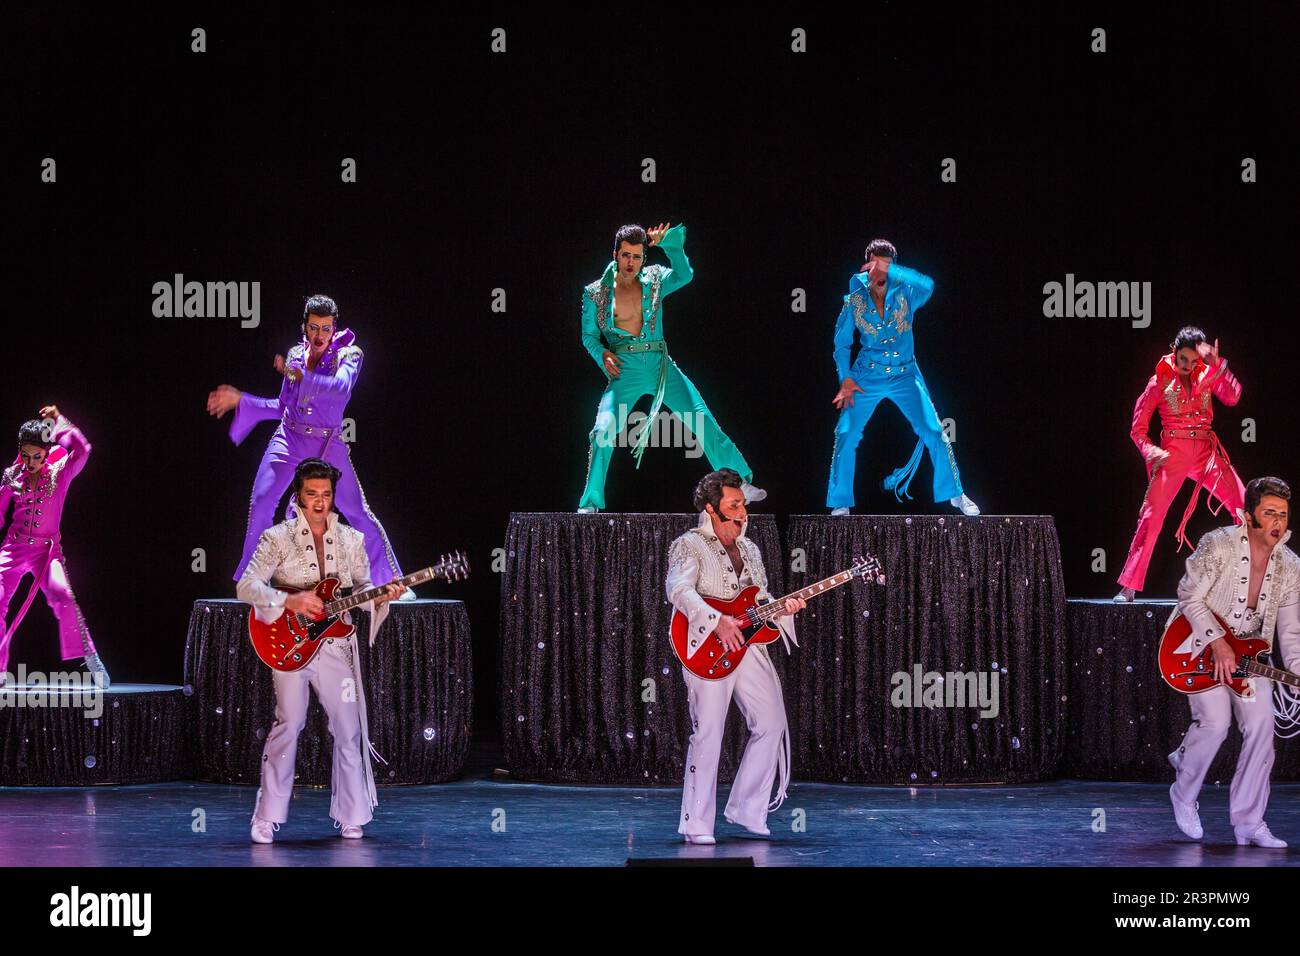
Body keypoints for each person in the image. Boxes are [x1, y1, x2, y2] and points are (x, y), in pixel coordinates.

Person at [238, 457, 405, 843]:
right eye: (312, 494)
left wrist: (383, 595)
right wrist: (289, 601)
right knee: (289, 723)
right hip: (291, 642)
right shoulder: (276, 538)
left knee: (348, 730)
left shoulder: (351, 540)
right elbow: (246, 587)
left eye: (326, 495)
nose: (319, 501)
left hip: (337, 647)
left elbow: (363, 588)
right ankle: (266, 815)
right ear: (299, 496)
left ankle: (351, 814)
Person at [207, 294, 408, 595]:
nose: (320, 335)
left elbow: (340, 390)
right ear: (305, 327)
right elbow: (283, 405)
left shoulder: (350, 354)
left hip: (328, 443)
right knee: (261, 502)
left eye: (326, 328)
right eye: (314, 328)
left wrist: (305, 378)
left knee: (356, 509)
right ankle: (254, 581)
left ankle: (391, 580)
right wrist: (243, 400)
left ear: (334, 328)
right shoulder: (294, 355)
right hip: (289, 437)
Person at [578, 222, 765, 512]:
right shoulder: (594, 293)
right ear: (615, 254)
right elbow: (588, 335)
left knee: (702, 420)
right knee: (602, 431)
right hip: (625, 368)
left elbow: (685, 275)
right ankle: (590, 503)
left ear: (644, 258)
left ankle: (739, 483)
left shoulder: (653, 279)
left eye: (637, 257)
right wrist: (602, 353)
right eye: (626, 255)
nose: (631, 263)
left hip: (661, 365)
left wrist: (673, 247)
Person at [665, 468, 805, 844]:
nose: (743, 513)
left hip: (748, 647)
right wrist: (716, 621)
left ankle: (747, 809)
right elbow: (678, 590)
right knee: (708, 733)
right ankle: (696, 823)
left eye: (743, 505)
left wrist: (782, 609)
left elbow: (758, 600)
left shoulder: (750, 548)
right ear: (712, 510)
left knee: (772, 721)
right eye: (735, 505)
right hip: (705, 647)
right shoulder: (689, 544)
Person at [1167, 476, 1300, 847]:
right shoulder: (1218, 544)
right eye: (1269, 513)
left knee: (1262, 726)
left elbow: (1290, 635)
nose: (1278, 522)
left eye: (1284, 515)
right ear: (1248, 516)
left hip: (1249, 657)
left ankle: (1249, 823)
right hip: (1196, 644)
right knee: (1216, 722)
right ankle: (1183, 793)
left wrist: (1297, 675)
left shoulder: (1291, 566)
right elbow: (1188, 597)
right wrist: (1218, 642)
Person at [827, 238, 979, 516]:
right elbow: (841, 344)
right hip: (866, 375)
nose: (879, 271)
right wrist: (845, 378)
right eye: (874, 264)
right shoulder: (855, 298)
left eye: (885, 265)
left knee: (934, 431)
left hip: (905, 374)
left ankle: (956, 494)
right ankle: (840, 501)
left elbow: (929, 285)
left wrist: (895, 271)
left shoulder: (906, 292)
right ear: (866, 266)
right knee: (846, 434)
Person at [1115, 326, 1244, 601]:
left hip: (1206, 452)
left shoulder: (1207, 373)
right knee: (1151, 518)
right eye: (1183, 359)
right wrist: (1150, 451)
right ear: (1174, 350)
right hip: (1174, 452)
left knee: (1243, 505)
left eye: (1193, 361)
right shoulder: (1158, 382)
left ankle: (1244, 584)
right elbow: (1137, 429)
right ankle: (1128, 586)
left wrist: (1218, 365)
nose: (1187, 366)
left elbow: (1233, 397)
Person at [0, 406, 107, 687]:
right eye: (25, 455)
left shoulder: (60, 472)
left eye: (36, 455)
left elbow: (83, 449)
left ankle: (91, 655)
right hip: (14, 548)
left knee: (63, 596)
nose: (30, 461)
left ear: (46, 452)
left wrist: (60, 420)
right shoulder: (12, 475)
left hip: (46, 553)